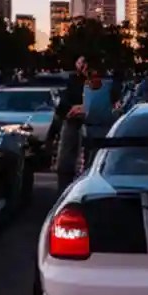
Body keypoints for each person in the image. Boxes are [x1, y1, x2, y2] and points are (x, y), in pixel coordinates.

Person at [54, 56, 90, 194]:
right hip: (72, 120)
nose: (83, 66)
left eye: (85, 63)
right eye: (80, 62)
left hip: (88, 121)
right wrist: (72, 109)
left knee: (87, 156)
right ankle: (64, 189)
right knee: (66, 158)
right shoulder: (72, 80)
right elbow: (64, 101)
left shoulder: (95, 81)